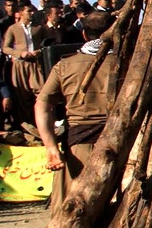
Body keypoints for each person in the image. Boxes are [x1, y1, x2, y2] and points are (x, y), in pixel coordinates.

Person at [35, 12, 118, 210]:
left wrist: (51, 147)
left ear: (83, 35)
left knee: (72, 210)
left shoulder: (64, 66)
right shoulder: (128, 64)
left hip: (79, 149)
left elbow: (42, 106)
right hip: (120, 146)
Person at [1, 3, 48, 127]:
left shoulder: (39, 28)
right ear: (21, 12)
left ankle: (43, 122)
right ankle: (26, 125)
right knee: (22, 96)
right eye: (29, 11)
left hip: (35, 64)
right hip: (20, 65)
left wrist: (39, 51)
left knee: (42, 92)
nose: (32, 13)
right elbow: (5, 48)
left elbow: (48, 44)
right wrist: (20, 53)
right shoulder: (13, 28)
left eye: (32, 11)